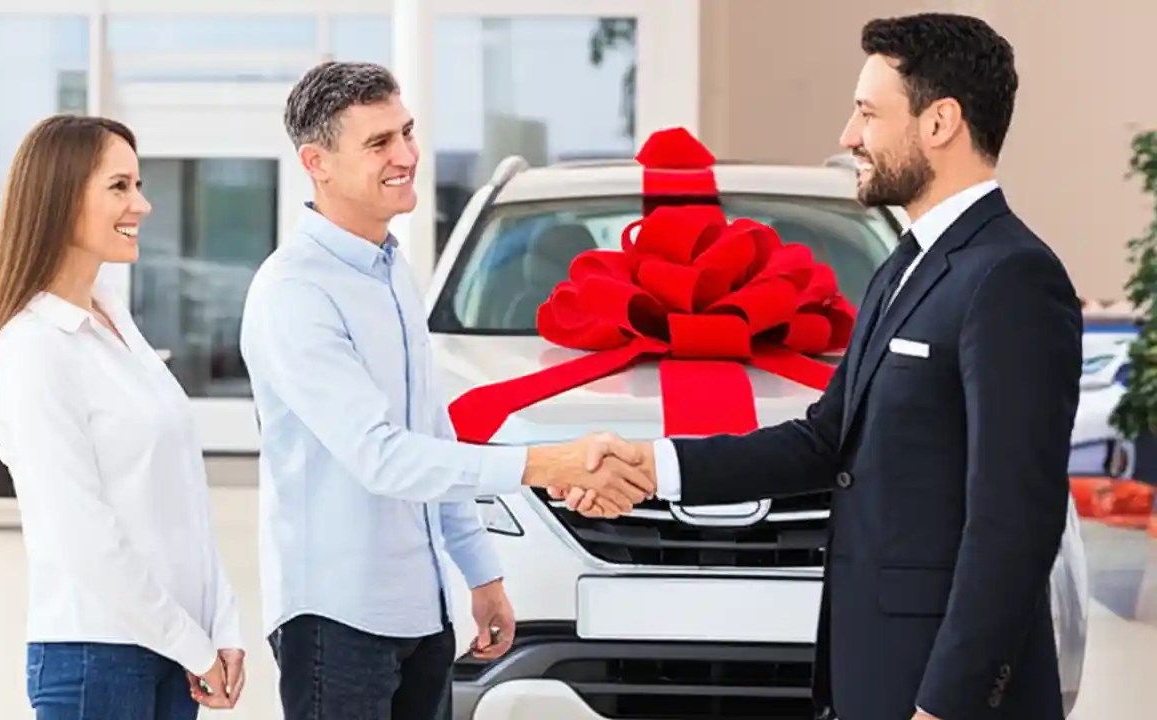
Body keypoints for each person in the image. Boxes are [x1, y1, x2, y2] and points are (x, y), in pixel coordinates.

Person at [565, 13, 1081, 720]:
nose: (847, 136)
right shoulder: (907, 265)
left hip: (939, 695)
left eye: (868, 113)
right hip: (872, 673)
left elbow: (1014, 523)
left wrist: (947, 706)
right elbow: (824, 440)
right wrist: (650, 467)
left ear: (941, 122)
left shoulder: (1012, 277)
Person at [238, 61, 653, 720]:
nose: (406, 155)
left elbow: (434, 432)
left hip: (422, 612)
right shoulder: (295, 292)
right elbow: (383, 457)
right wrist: (548, 464)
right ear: (316, 162)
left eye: (406, 132)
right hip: (338, 620)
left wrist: (480, 572)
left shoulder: (392, 269)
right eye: (379, 143)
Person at [0, 114, 246, 719]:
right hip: (97, 659)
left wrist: (221, 623)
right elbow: (83, 539)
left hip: (175, 653)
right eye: (119, 187)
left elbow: (184, 499)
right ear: (60, 198)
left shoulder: (114, 319)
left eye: (138, 185)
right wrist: (193, 646)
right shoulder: (33, 348)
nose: (142, 205)